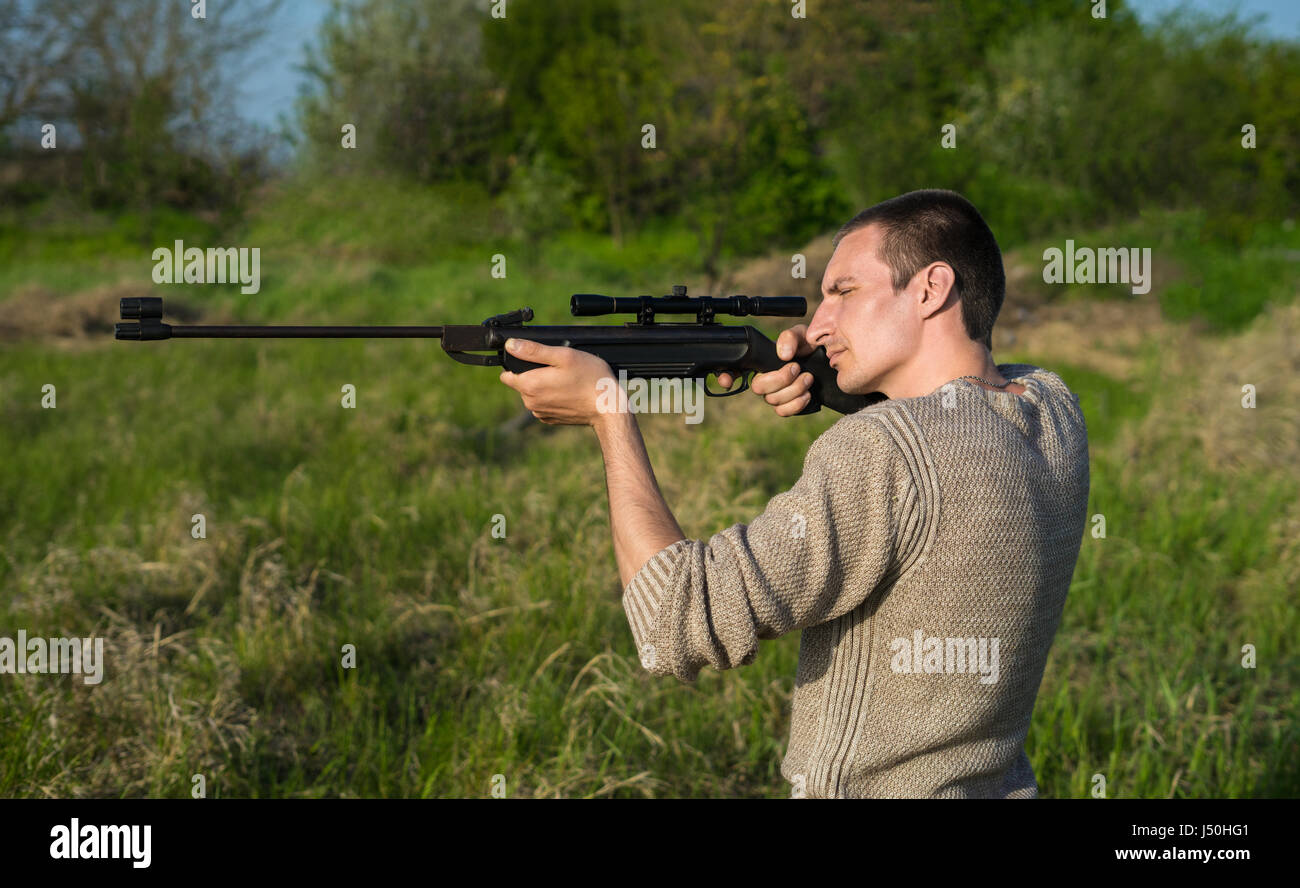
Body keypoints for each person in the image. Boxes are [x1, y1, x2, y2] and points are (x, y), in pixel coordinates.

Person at [497, 189, 1090, 797]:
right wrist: (842, 391)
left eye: (845, 292)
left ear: (931, 288)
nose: (818, 323)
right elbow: (948, 450)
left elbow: (674, 624)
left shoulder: (883, 448)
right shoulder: (1052, 410)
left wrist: (608, 413)